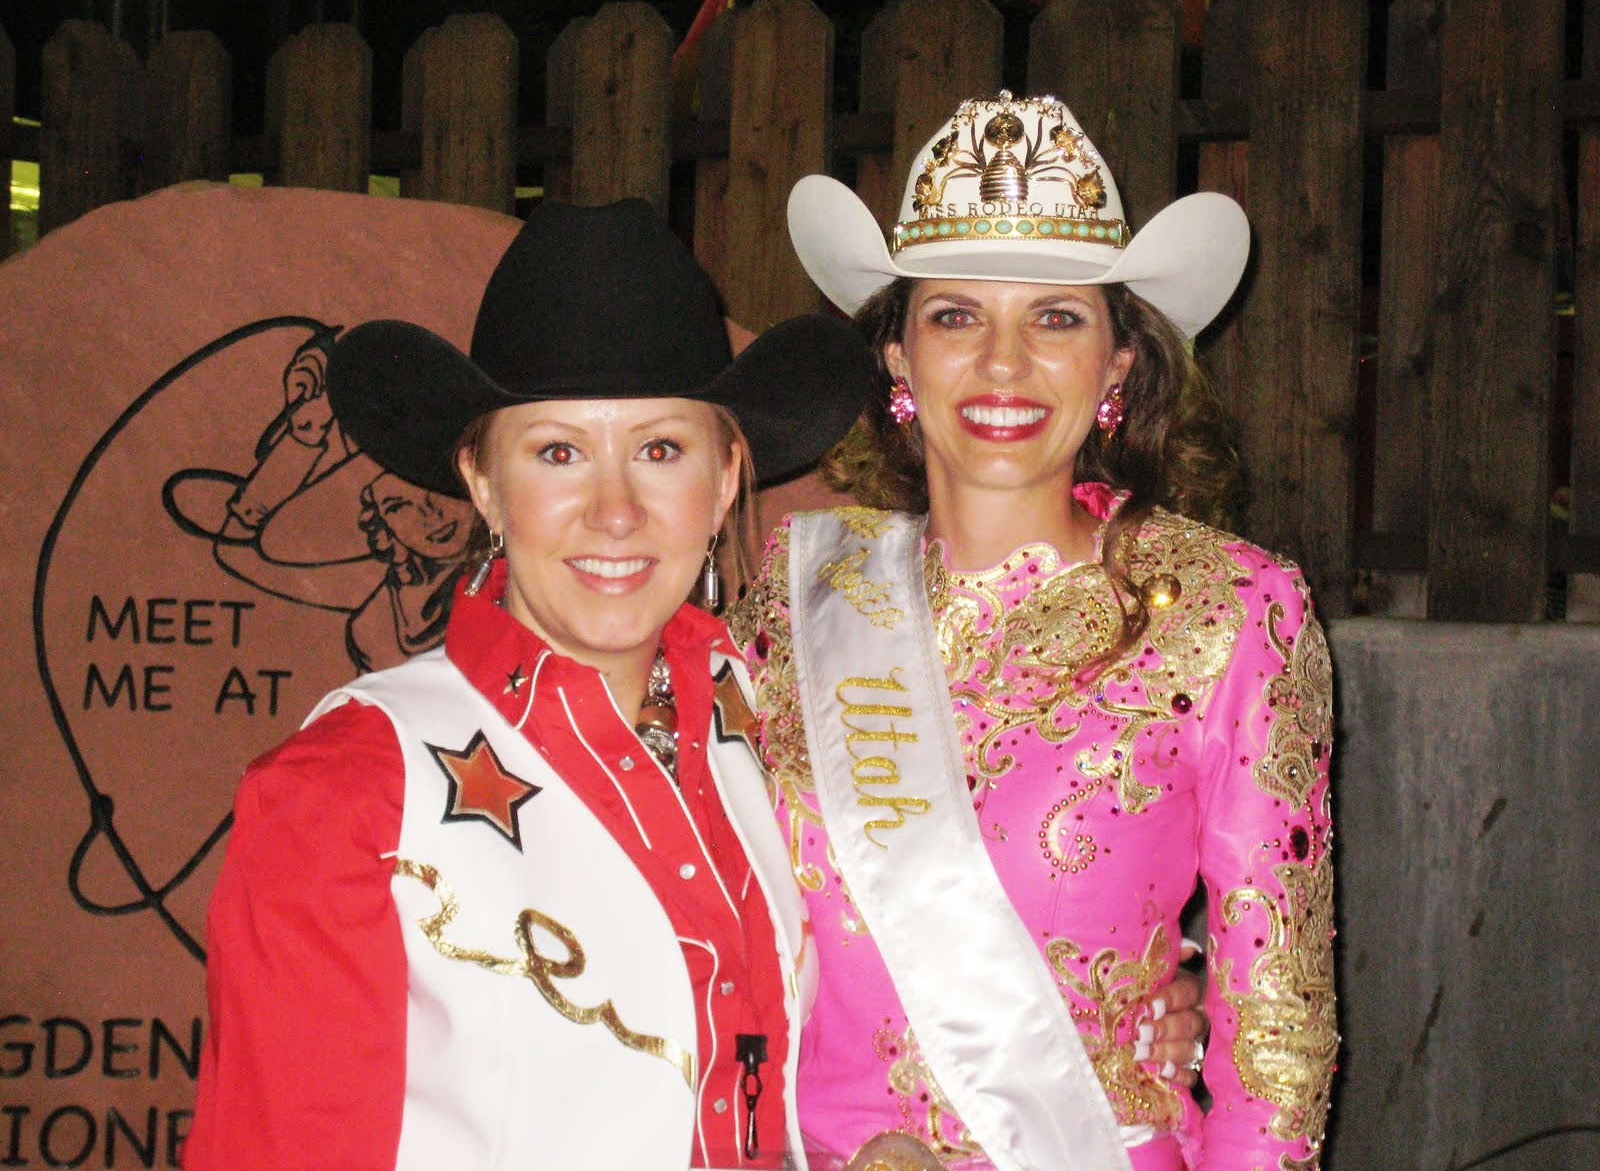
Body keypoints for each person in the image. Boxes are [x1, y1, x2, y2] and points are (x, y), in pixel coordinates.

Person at [183, 198, 874, 1171]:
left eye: (660, 450)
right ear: (481, 479)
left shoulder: (795, 732)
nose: (615, 511)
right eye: (558, 452)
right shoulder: (351, 789)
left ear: (722, 481)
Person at [730, 91, 1336, 1171]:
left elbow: (1278, 1035)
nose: (1002, 366)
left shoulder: (1228, 613)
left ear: (1117, 365)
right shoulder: (792, 593)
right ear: (896, 361)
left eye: (1055, 318)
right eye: (955, 315)